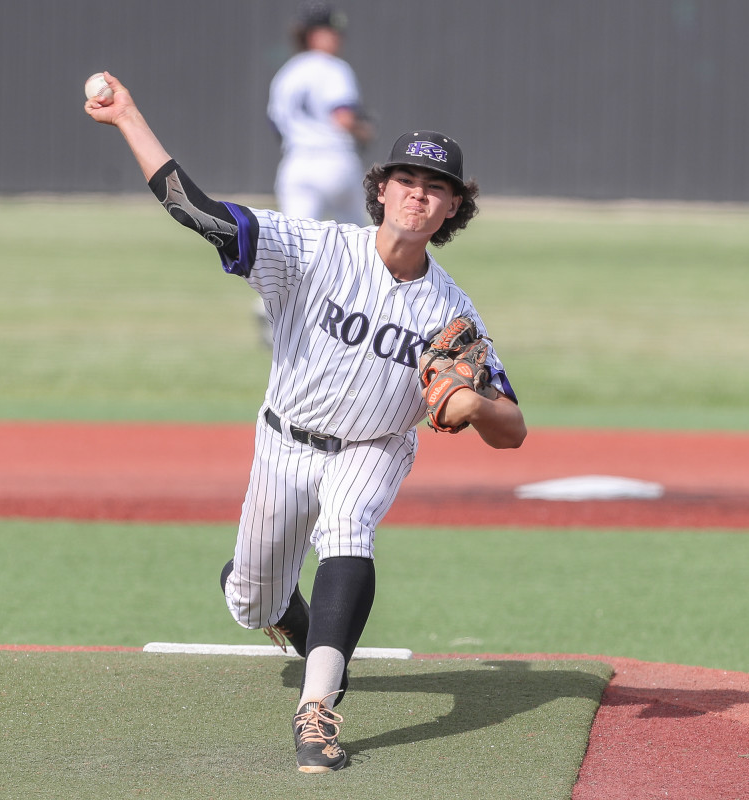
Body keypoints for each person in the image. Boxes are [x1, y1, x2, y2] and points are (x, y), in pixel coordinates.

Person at [85, 71, 526, 774]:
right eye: (407, 178)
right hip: (284, 441)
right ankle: (283, 610)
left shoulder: (453, 314)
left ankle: (317, 710)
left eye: (436, 186)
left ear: (452, 210)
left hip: (375, 447)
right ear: (380, 188)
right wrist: (130, 118)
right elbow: (194, 211)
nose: (418, 193)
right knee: (249, 597)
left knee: (349, 528)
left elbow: (515, 429)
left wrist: (477, 406)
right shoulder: (313, 249)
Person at [267, 1, 374, 226]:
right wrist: (364, 131)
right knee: (357, 245)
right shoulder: (334, 68)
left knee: (297, 244)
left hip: (295, 163)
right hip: (335, 159)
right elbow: (343, 117)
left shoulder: (287, 72)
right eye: (332, 31)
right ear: (313, 34)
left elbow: (276, 124)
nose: (338, 37)